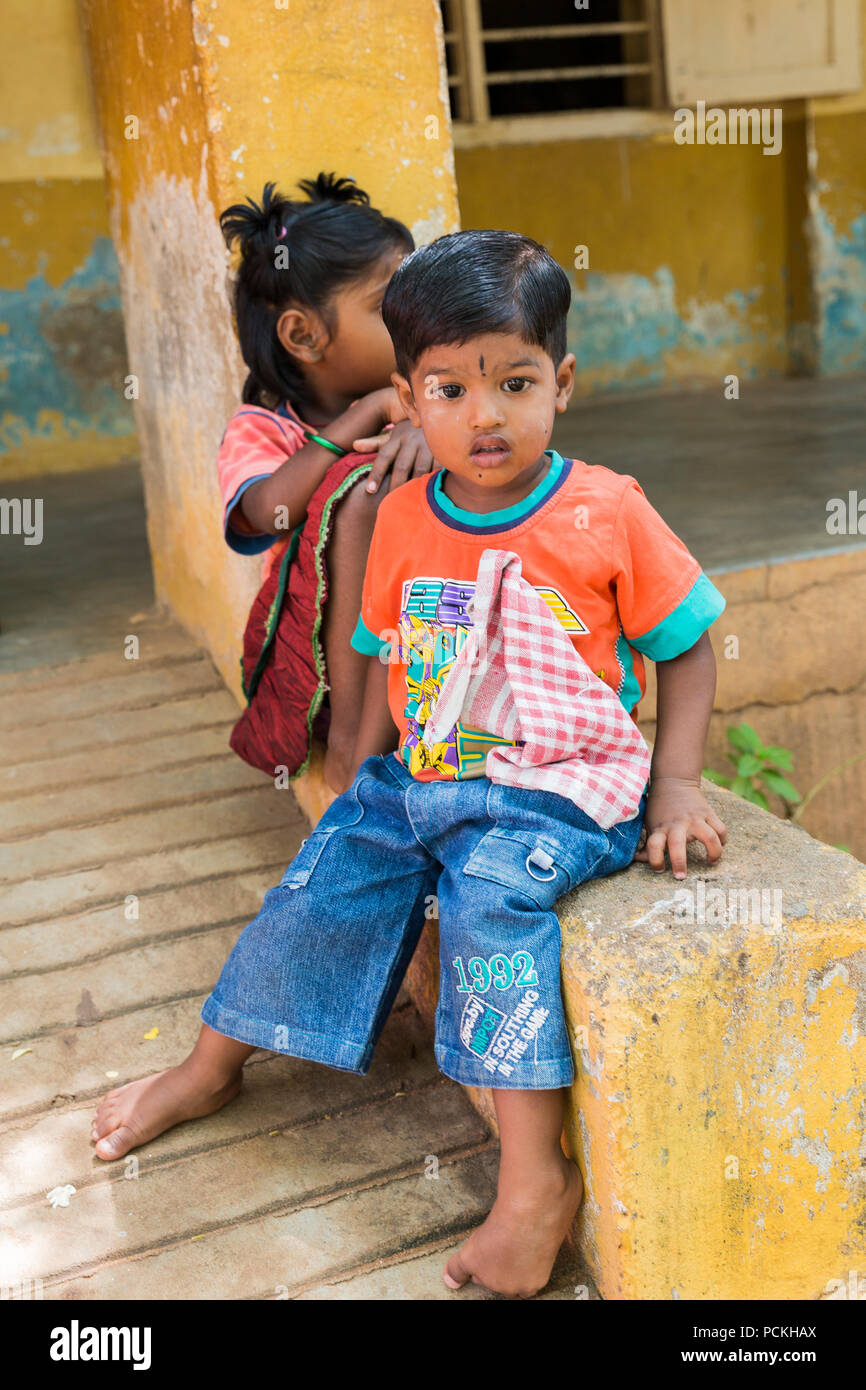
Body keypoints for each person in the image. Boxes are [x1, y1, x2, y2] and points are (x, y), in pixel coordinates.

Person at [92, 229, 728, 1299]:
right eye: (448, 389)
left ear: (559, 384)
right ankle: (208, 1067)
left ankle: (532, 1186)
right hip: (429, 777)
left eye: (514, 383)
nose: (484, 416)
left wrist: (674, 784)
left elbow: (688, 643)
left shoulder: (602, 509)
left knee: (489, 905)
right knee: (320, 874)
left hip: (561, 791)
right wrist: (358, 780)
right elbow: (387, 661)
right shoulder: (400, 519)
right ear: (406, 398)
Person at [217, 172, 436, 791]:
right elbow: (266, 513)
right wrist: (361, 418)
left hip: (414, 639)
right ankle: (348, 744)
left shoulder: (430, 396)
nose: (416, 319)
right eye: (389, 306)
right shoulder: (263, 430)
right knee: (361, 485)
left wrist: (425, 431)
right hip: (311, 662)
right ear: (303, 335)